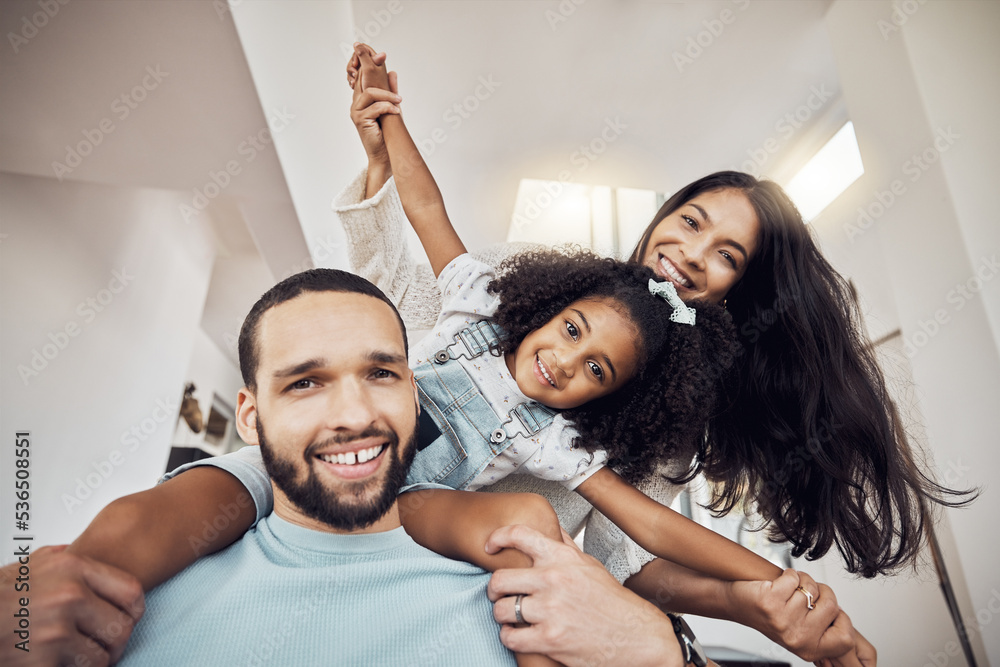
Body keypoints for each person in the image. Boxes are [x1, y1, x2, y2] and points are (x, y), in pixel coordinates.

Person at [339, 43, 977, 663]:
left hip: (459, 569)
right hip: (364, 464)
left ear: (739, 290)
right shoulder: (525, 286)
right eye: (693, 221)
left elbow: (633, 548)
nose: (692, 254)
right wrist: (383, 149)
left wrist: (771, 596)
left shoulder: (657, 415)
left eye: (727, 256)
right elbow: (404, 294)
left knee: (526, 529)